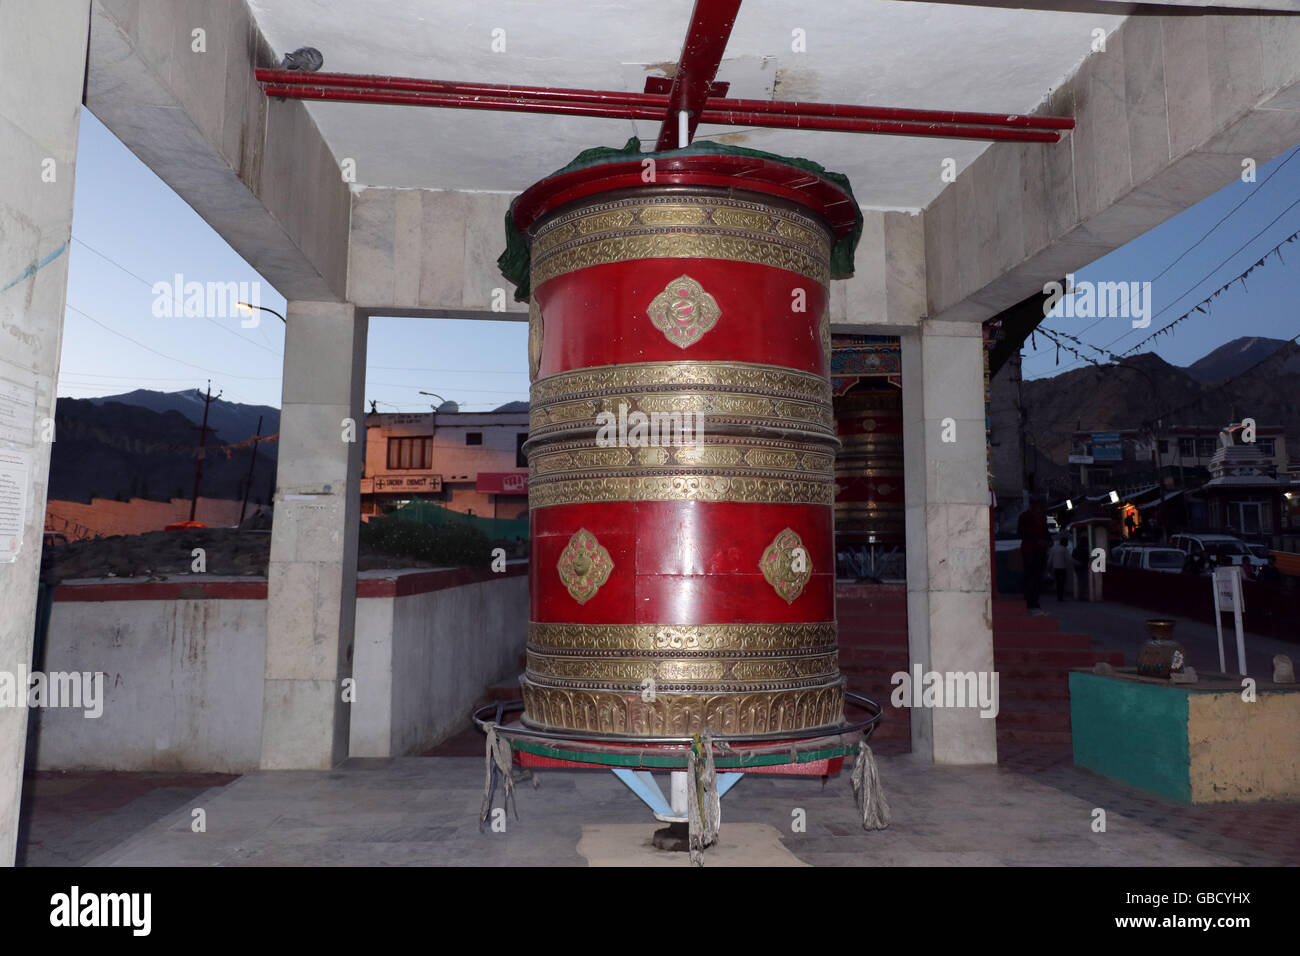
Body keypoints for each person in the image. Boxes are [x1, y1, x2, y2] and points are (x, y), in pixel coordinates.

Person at [1017, 500, 1051, 614]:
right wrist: (1037, 541)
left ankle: (1034, 600)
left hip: (1040, 550)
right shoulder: (1025, 516)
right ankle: (1029, 600)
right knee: (1030, 575)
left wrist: (1048, 541)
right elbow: (1022, 532)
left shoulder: (1042, 518)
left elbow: (1046, 532)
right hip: (1030, 550)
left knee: (1037, 576)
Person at [1047, 536, 1071, 602]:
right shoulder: (1064, 549)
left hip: (1055, 569)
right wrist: (1078, 562)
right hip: (1062, 568)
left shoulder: (1053, 549)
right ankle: (1061, 597)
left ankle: (1059, 596)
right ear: (1065, 543)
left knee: (1058, 583)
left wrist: (1048, 569)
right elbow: (1069, 559)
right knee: (1062, 583)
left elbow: (1049, 560)